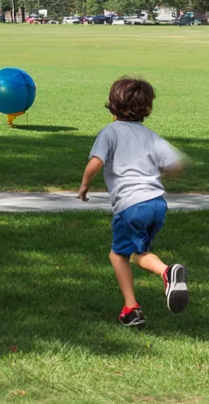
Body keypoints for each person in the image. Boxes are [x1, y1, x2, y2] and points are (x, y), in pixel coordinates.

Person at [78, 77, 189, 327]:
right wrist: (155, 177)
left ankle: (142, 296)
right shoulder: (150, 136)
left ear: (114, 107)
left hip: (131, 206)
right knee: (139, 253)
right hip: (156, 204)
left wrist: (85, 185)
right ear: (145, 108)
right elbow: (176, 164)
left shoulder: (110, 132)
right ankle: (139, 300)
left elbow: (96, 162)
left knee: (118, 255)